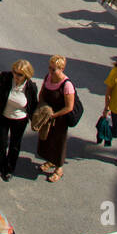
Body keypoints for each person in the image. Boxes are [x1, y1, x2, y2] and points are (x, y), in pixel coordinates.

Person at [0, 60, 38, 180]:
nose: (16, 76)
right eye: (14, 72)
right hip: (2, 115)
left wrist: (35, 119)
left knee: (14, 145)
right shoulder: (5, 77)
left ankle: (9, 168)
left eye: (20, 74)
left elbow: (33, 104)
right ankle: (1, 164)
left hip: (20, 120)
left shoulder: (31, 87)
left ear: (26, 75)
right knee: (1, 142)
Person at [37, 54, 76, 183]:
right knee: (47, 139)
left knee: (59, 143)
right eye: (50, 67)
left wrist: (54, 115)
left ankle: (59, 169)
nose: (51, 71)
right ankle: (50, 160)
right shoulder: (48, 77)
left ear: (62, 69)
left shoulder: (67, 84)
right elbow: (42, 93)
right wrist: (42, 108)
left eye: (54, 69)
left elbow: (69, 107)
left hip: (60, 118)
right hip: (48, 115)